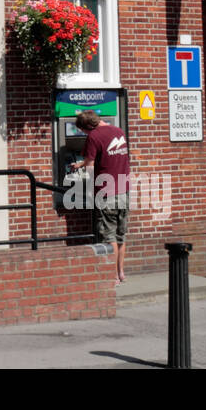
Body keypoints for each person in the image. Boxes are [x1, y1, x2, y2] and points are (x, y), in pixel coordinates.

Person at [70, 109, 130, 283]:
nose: (84, 134)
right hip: (124, 190)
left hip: (106, 192)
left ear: (88, 126)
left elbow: (90, 165)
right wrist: (82, 163)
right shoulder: (118, 131)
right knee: (121, 235)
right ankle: (121, 273)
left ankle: (112, 276)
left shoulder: (94, 136)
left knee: (108, 236)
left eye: (83, 131)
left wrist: (85, 181)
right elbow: (107, 158)